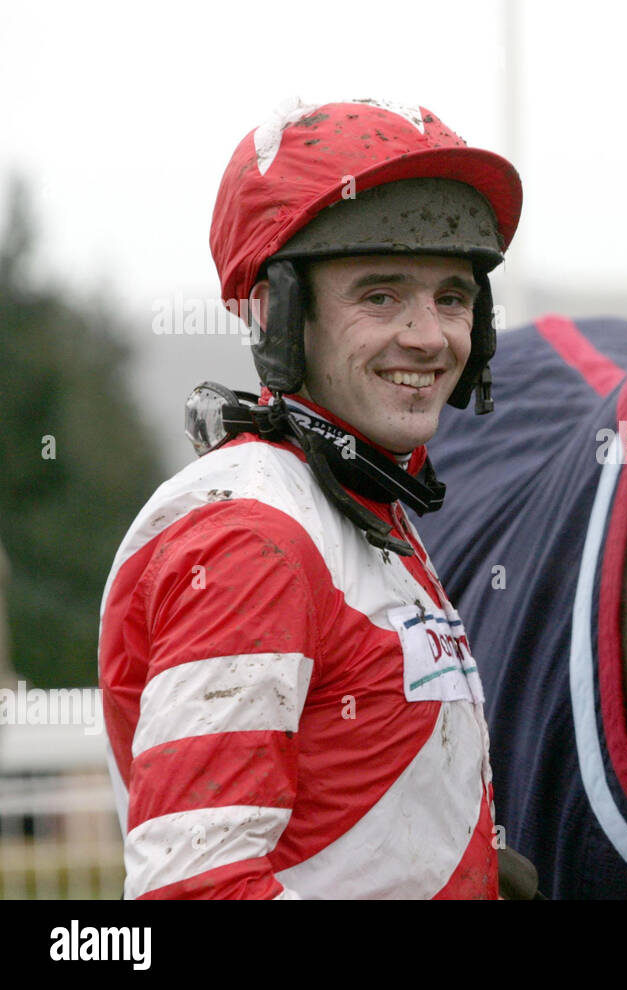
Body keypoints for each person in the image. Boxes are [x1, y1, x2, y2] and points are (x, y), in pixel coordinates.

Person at [98, 98, 524, 899]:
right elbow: (196, 890)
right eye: (381, 296)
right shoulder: (251, 539)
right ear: (283, 318)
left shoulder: (359, 504)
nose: (430, 336)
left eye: (454, 296)